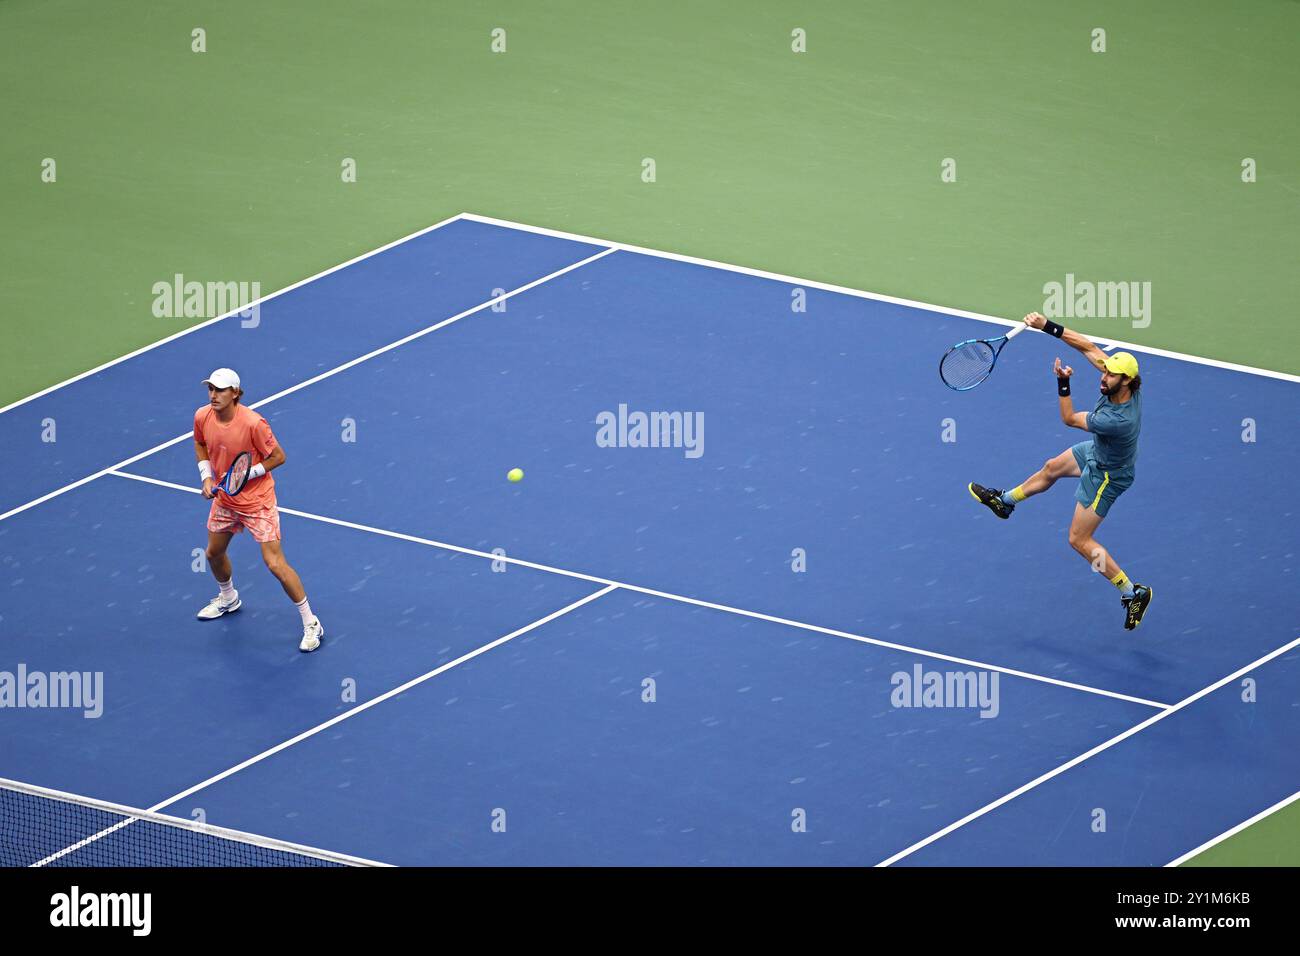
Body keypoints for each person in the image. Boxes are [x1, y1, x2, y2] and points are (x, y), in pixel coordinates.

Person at [968, 313, 1153, 629]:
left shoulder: (1116, 421)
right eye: (1106, 370)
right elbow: (1087, 346)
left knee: (1079, 540)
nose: (1103, 376)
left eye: (1110, 375)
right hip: (1099, 453)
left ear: (1126, 382)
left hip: (1107, 475)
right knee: (1052, 467)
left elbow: (1068, 419)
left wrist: (1063, 381)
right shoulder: (1124, 383)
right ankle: (1005, 501)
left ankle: (1132, 592)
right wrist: (1047, 326)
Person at [193, 368, 324, 652]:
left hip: (258, 501)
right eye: (211, 389)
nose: (213, 395)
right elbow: (200, 443)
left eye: (220, 390)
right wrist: (206, 477)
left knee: (274, 563)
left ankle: (311, 622)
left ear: (235, 393)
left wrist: (244, 477)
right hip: (226, 500)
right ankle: (228, 598)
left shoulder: (254, 423)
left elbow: (278, 456)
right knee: (213, 553)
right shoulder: (202, 415)